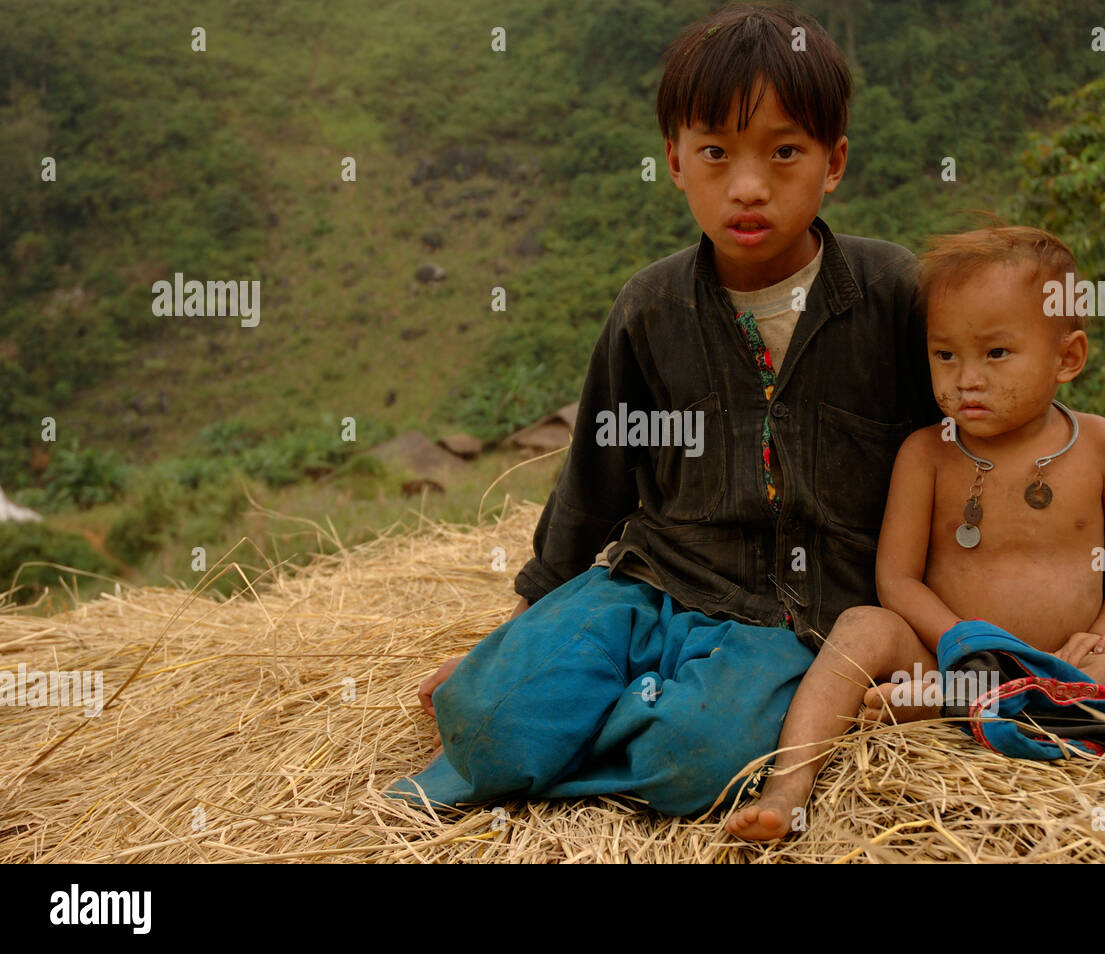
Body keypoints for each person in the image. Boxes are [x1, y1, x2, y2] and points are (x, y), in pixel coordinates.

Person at [385, 2, 942, 817]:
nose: (748, 186)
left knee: (697, 759)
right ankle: (543, 729)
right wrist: (515, 642)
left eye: (784, 152)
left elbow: (958, 457)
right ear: (676, 161)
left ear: (835, 162)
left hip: (793, 619)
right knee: (491, 714)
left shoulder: (892, 294)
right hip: (652, 583)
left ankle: (575, 747)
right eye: (715, 153)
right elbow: (595, 482)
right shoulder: (650, 307)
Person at [726, 224, 1105, 840]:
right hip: (940, 655)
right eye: (945, 355)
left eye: (996, 353)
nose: (966, 379)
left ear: (1067, 358)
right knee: (863, 626)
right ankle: (789, 786)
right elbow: (896, 579)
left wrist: (1104, 637)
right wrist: (959, 640)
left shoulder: (1097, 446)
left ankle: (955, 701)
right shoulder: (927, 454)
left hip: (1062, 667)